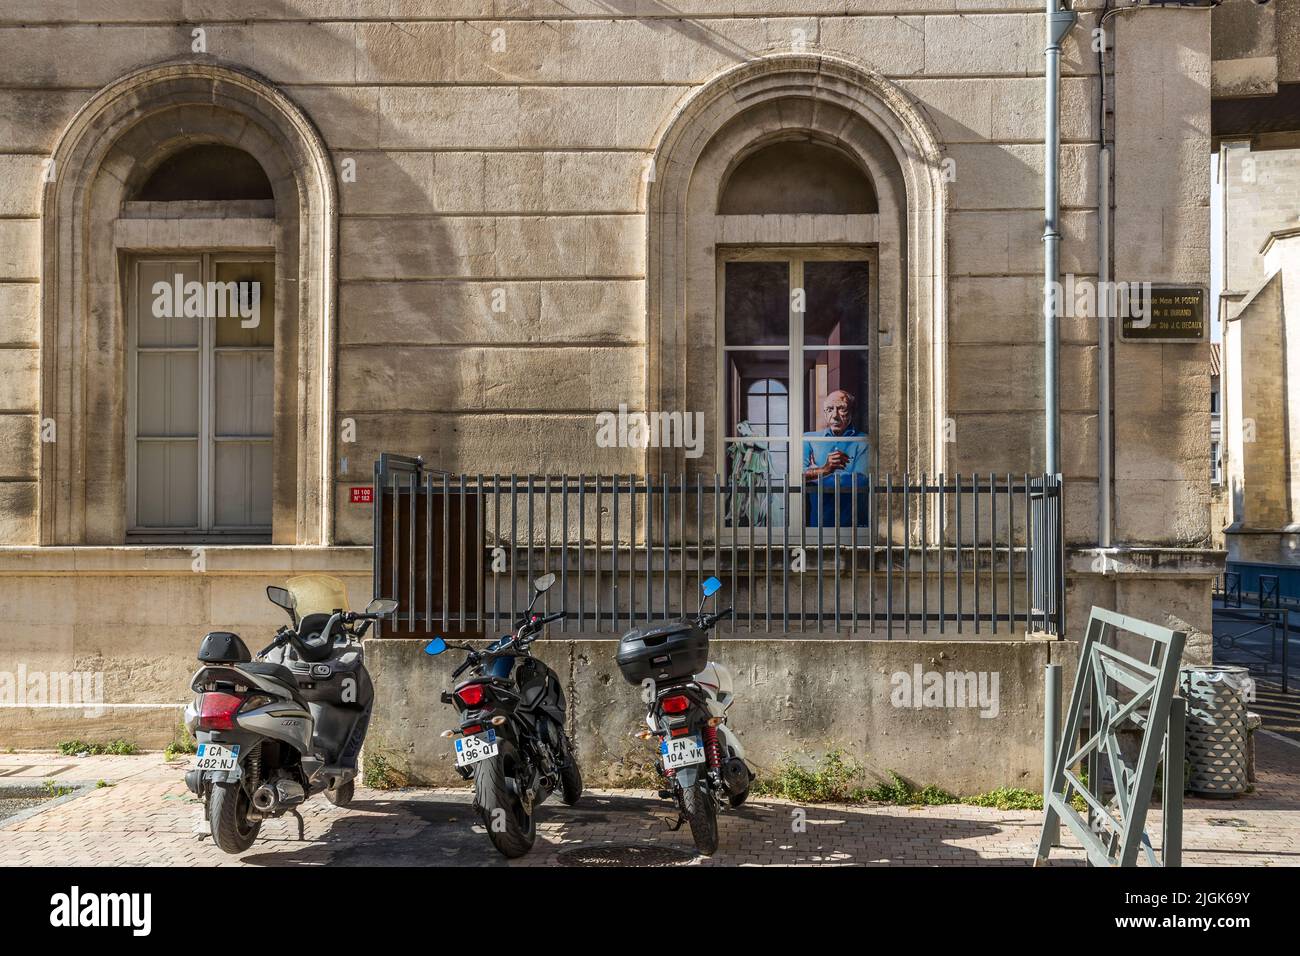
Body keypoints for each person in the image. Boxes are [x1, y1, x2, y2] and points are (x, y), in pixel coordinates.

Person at [803, 389, 869, 527]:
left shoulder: (864, 440)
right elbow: (798, 477)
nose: (835, 416)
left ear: (852, 412)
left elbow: (862, 481)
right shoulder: (809, 439)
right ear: (825, 412)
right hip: (819, 524)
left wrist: (815, 476)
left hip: (854, 526)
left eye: (841, 409)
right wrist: (826, 469)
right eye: (829, 409)